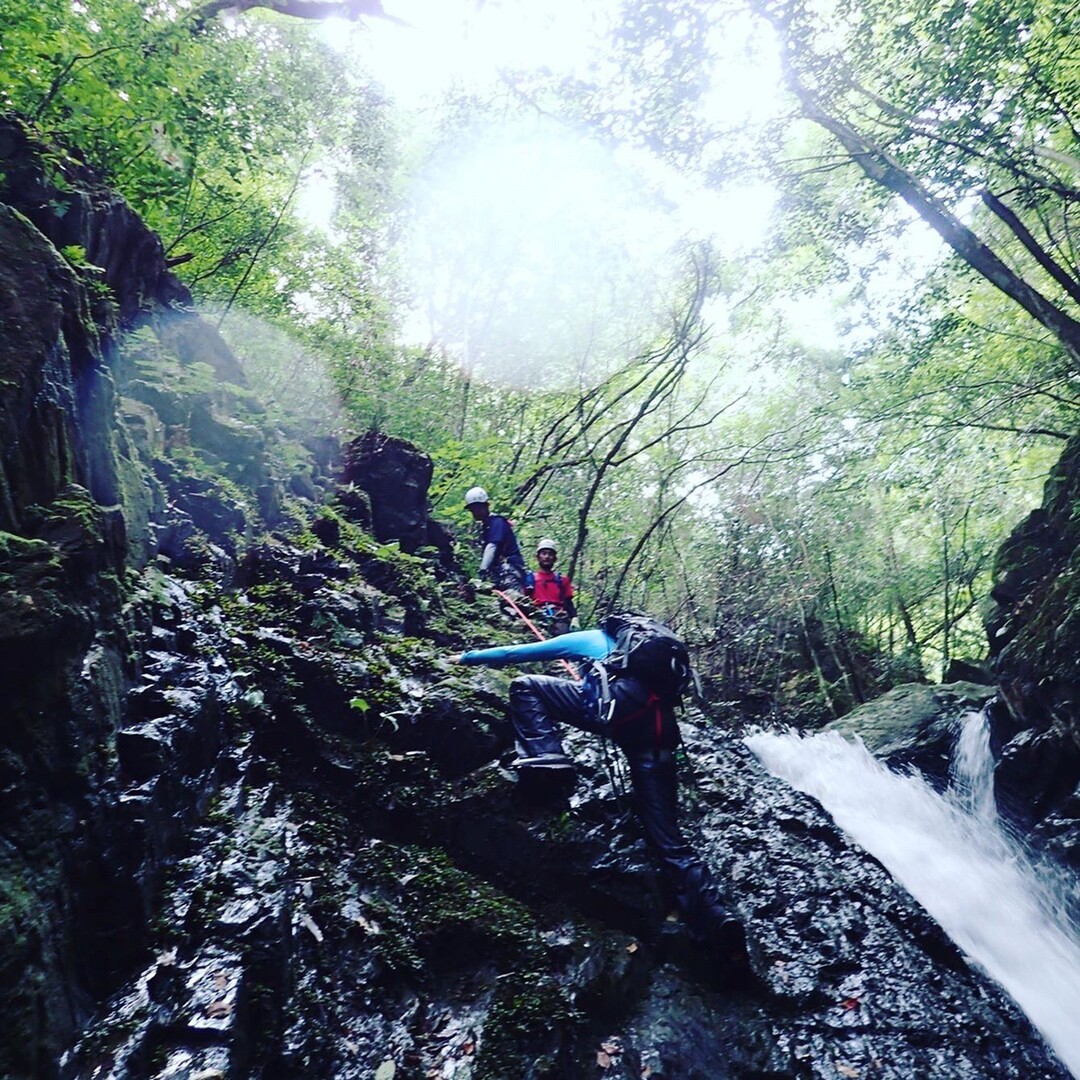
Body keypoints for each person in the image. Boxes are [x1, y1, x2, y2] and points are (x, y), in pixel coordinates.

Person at [449, 622, 746, 960]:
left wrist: (466, 657)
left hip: (620, 712)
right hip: (660, 731)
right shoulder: (649, 661)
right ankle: (716, 915)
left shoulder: (589, 639)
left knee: (525, 686)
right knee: (668, 839)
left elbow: (515, 654)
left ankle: (547, 760)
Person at [463, 486, 527, 593]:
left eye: (477, 508)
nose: (475, 512)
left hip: (510, 571)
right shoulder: (487, 525)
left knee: (513, 600)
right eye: (472, 510)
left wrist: (483, 570)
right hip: (501, 572)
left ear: (485, 506)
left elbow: (492, 546)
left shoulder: (496, 522)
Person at [525, 538, 578, 636]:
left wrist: (574, 617)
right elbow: (523, 601)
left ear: (555, 558)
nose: (547, 557)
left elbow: (568, 602)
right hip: (536, 615)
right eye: (544, 553)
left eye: (550, 554)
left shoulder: (562, 580)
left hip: (559, 617)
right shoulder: (529, 580)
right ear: (538, 557)